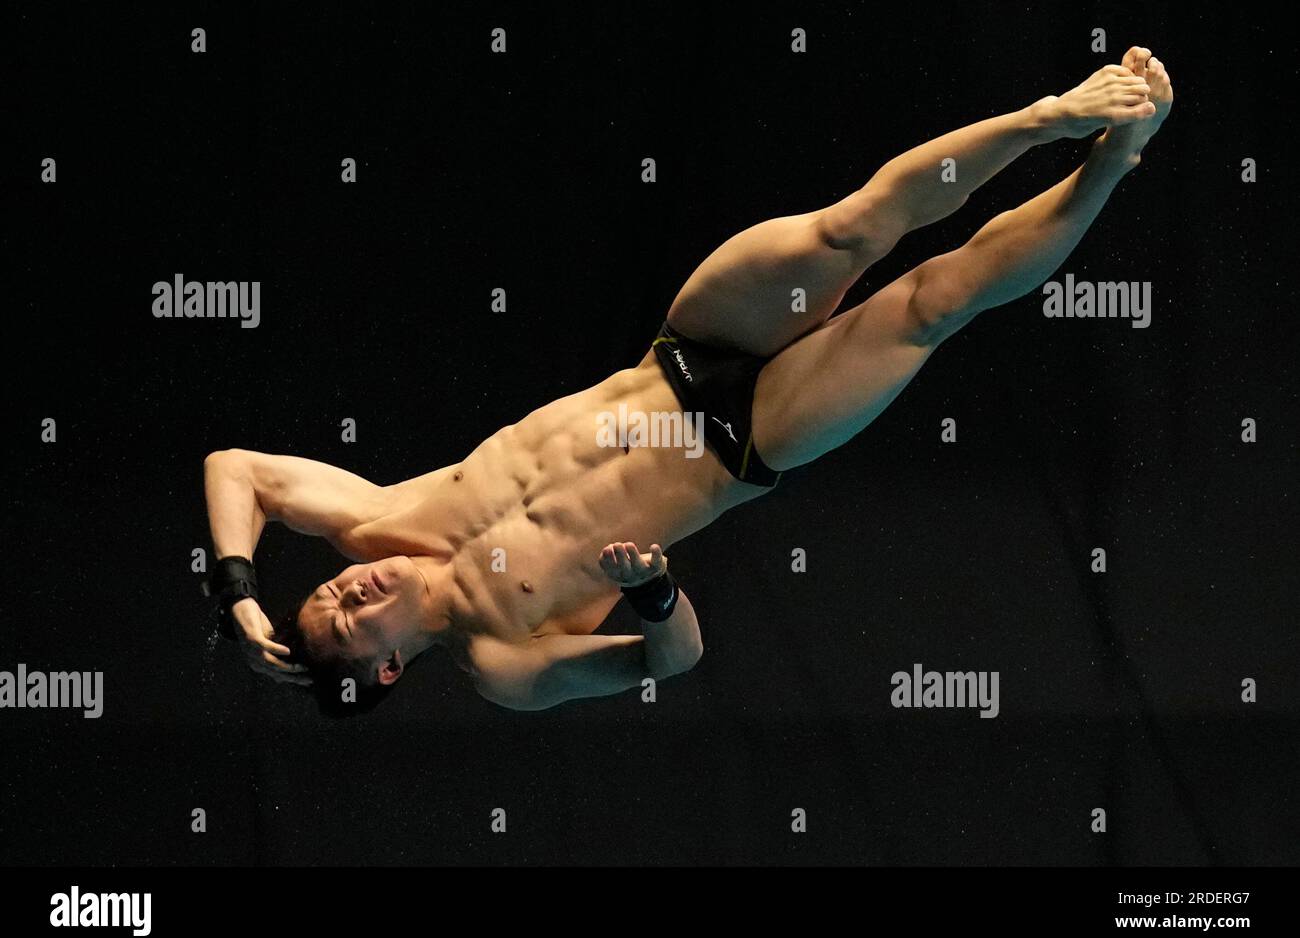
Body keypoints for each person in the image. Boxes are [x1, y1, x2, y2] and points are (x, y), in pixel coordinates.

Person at [203, 48, 1172, 713]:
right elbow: (672, 659)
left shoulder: (377, 518)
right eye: (348, 613)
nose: (350, 583)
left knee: (852, 225)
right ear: (381, 669)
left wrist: (241, 591)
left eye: (327, 586)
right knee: (930, 301)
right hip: (746, 438)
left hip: (681, 354)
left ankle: (1053, 117)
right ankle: (1114, 159)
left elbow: (236, 466)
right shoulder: (503, 661)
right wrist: (656, 589)